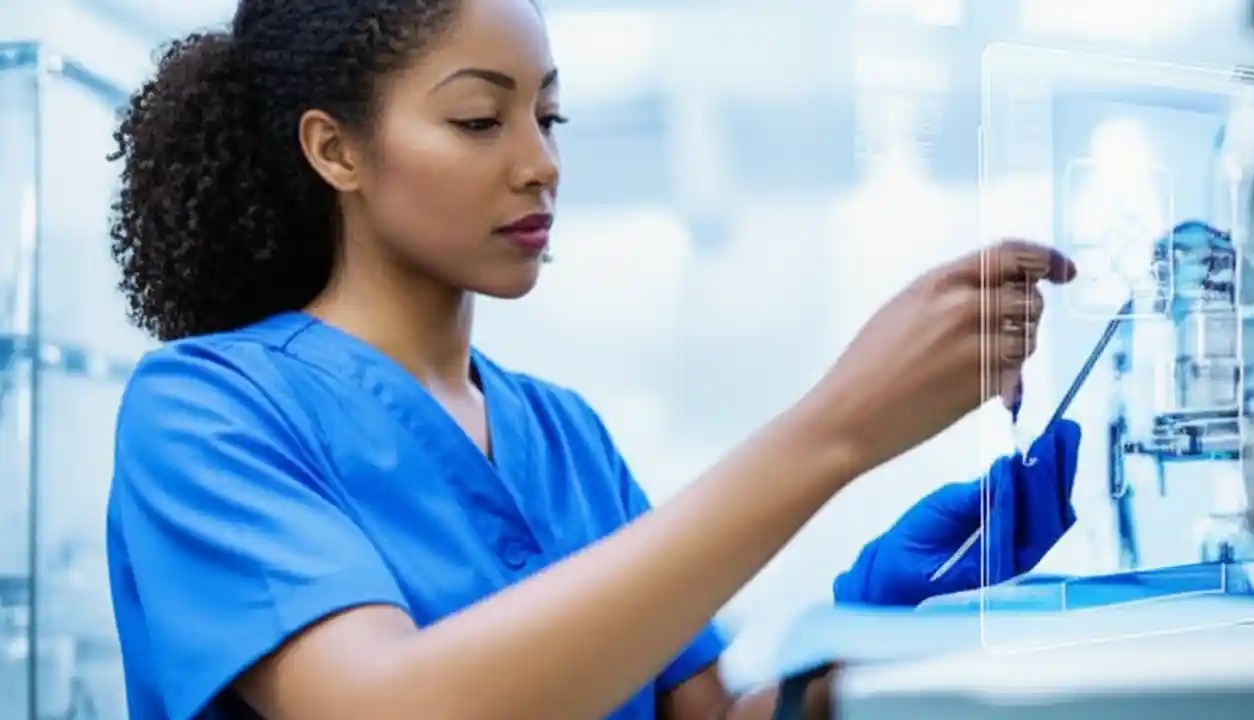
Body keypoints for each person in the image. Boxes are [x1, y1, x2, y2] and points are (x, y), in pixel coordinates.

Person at [102, 1, 1076, 719]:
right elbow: (388, 707)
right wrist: (837, 430)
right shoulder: (206, 411)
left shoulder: (560, 432)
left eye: (549, 116)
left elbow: (709, 717)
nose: (540, 163)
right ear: (335, 151)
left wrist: (871, 623)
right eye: (479, 119)